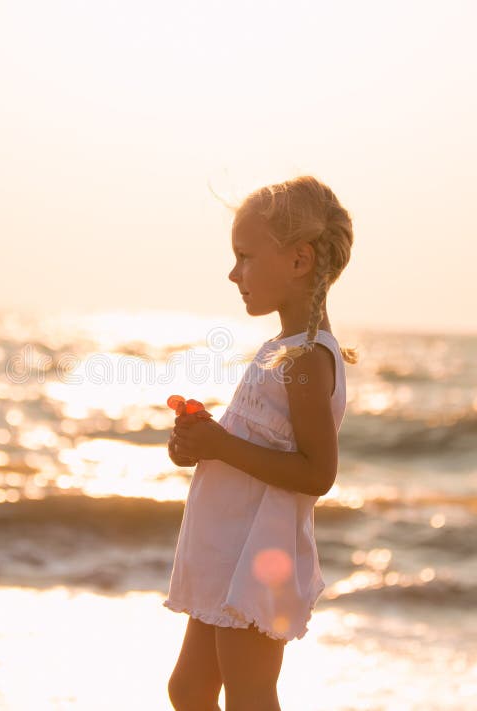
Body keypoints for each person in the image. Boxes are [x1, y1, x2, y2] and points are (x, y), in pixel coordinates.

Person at [163, 175, 359, 711]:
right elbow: (252, 441)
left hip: (259, 554)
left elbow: (318, 473)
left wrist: (221, 446)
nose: (234, 273)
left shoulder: (305, 358)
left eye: (245, 257)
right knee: (189, 689)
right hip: (228, 544)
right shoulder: (283, 349)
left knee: (249, 697)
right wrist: (198, 443)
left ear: (299, 261)